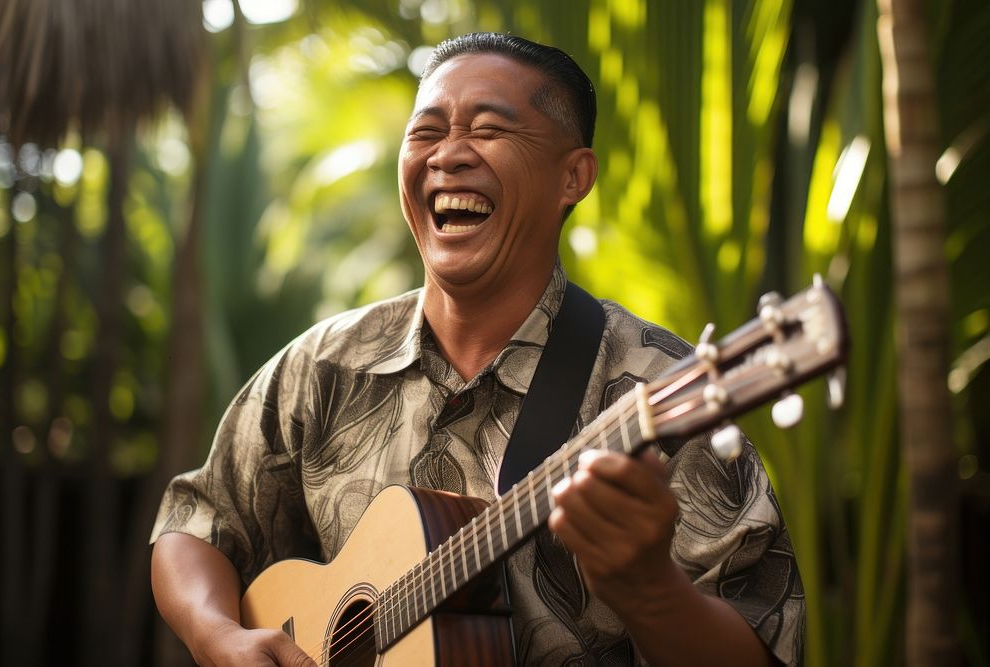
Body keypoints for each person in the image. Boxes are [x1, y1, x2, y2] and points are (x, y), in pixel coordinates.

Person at [151, 32, 804, 666]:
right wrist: (217, 634)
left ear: (573, 177)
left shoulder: (661, 387)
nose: (449, 154)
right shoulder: (324, 367)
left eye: (489, 129)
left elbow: (763, 645)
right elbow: (194, 522)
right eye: (427, 131)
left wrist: (650, 590)